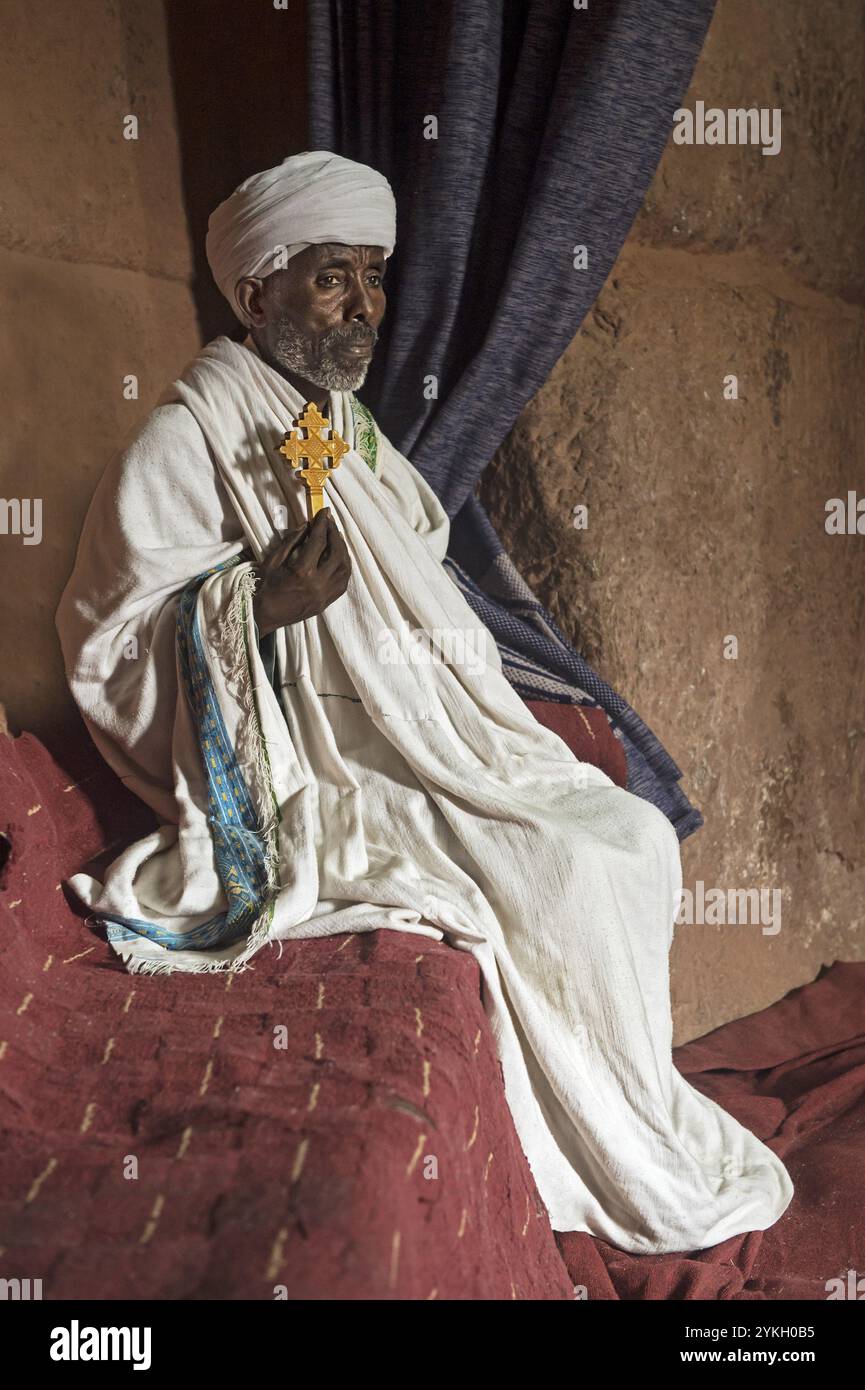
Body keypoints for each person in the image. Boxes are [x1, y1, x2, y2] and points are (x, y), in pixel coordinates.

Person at [56, 151, 793, 1252]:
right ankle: (607, 1155)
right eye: (331, 278)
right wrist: (257, 605)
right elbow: (108, 645)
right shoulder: (185, 435)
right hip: (325, 770)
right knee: (570, 868)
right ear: (257, 293)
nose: (363, 306)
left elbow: (413, 544)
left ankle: (633, 1115)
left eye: (372, 276)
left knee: (630, 831)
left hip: (430, 736)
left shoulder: (341, 427)